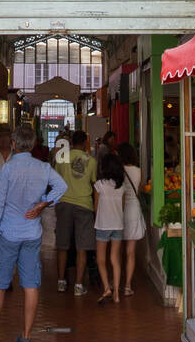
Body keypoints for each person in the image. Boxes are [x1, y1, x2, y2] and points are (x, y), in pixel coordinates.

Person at [0, 124, 67, 342]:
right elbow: (62, 185)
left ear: (15, 144)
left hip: (8, 232)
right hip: (31, 233)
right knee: (30, 284)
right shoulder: (44, 167)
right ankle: (26, 336)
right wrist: (44, 203)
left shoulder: (8, 169)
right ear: (35, 144)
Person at [54, 130, 96, 295]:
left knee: (62, 245)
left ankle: (61, 281)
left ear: (71, 142)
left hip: (64, 203)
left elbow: (55, 180)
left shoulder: (62, 159)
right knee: (82, 247)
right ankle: (78, 285)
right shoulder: (91, 161)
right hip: (84, 205)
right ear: (85, 142)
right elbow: (94, 184)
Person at [93, 151, 126, 304]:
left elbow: (95, 206)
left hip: (102, 225)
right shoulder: (122, 187)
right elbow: (123, 206)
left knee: (101, 259)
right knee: (115, 259)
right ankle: (117, 294)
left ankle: (107, 287)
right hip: (118, 225)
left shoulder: (99, 185)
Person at [116, 141, 145, 295]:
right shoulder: (139, 171)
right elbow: (138, 192)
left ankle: (116, 281)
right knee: (130, 252)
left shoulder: (117, 170)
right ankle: (127, 286)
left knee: (117, 250)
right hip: (133, 210)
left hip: (119, 211)